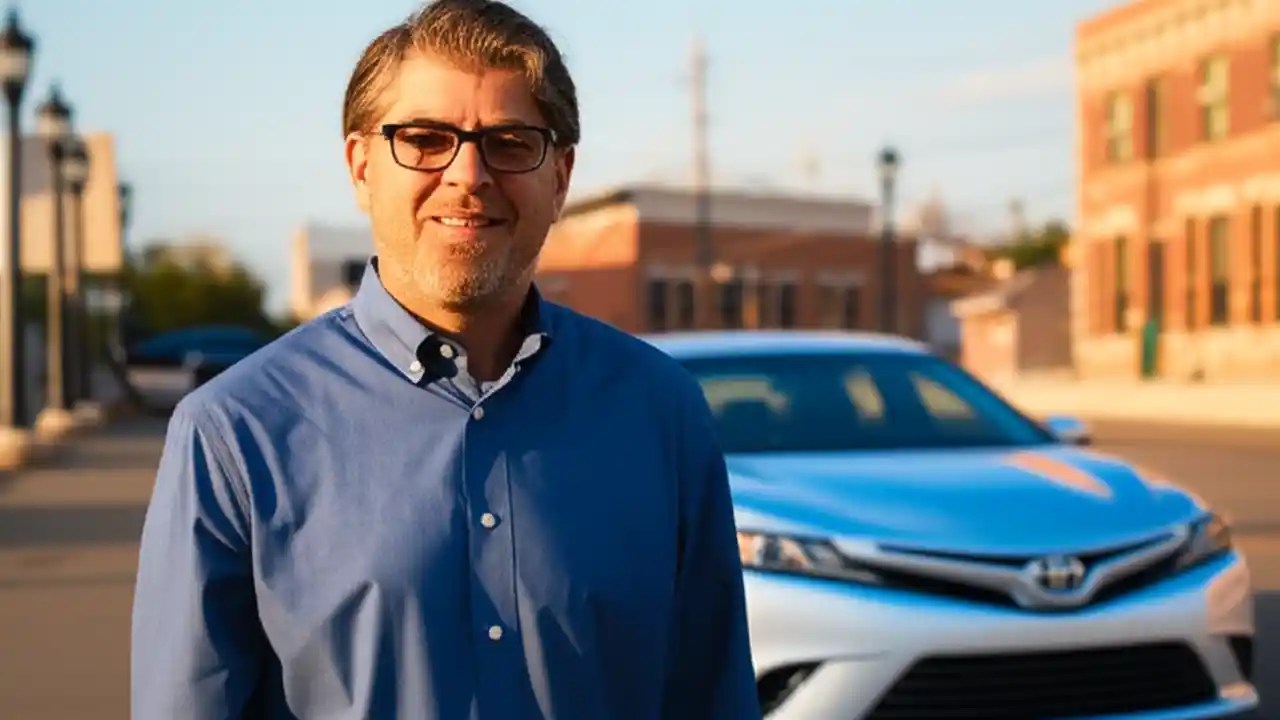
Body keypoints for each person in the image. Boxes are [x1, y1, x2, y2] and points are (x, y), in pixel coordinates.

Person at [129, 1, 761, 718]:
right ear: (361, 165)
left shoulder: (660, 412)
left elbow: (712, 695)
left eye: (510, 141)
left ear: (560, 177)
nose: (468, 175)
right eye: (425, 139)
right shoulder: (234, 432)